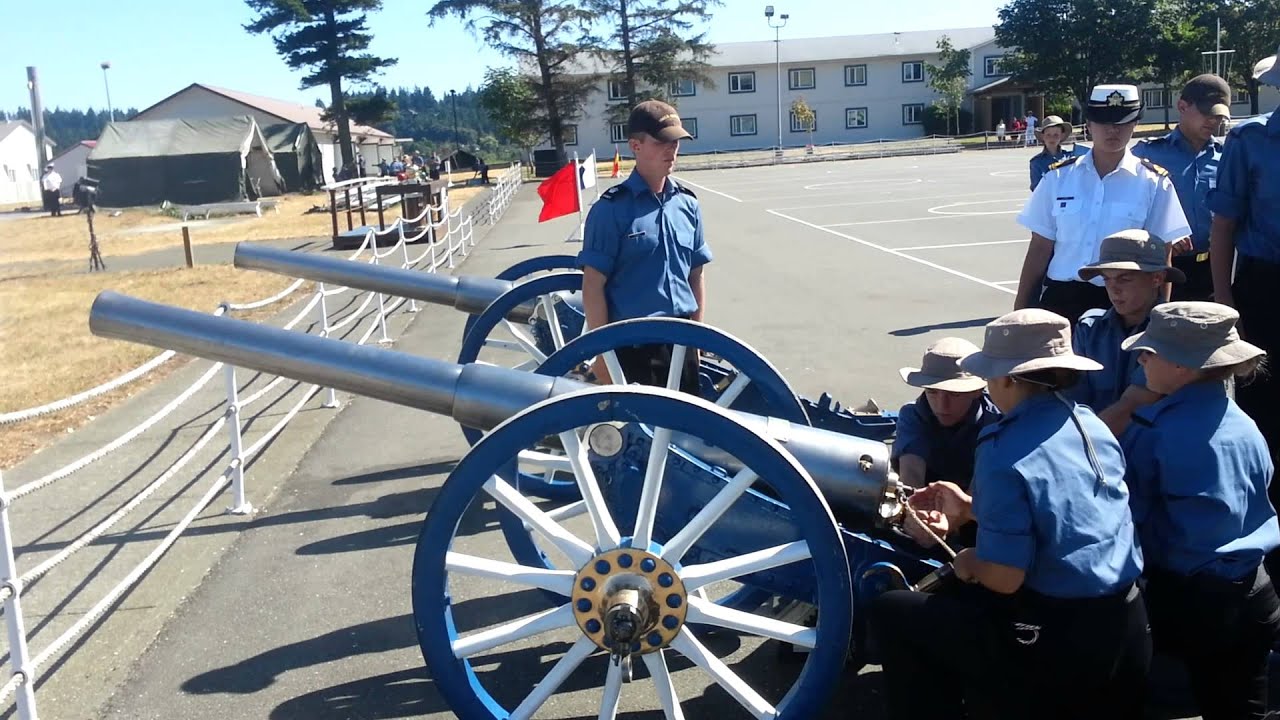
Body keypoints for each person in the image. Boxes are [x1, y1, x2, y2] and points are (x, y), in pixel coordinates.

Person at [871, 309, 1150, 720]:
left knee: (892, 611)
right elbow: (1063, 515)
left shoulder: (1003, 449)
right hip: (1128, 623)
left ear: (1006, 379)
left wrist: (969, 562)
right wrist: (970, 509)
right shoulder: (1088, 422)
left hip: (1058, 639)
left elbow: (1004, 577)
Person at [1118, 301, 1280, 719]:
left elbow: (1128, 514)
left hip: (1191, 602)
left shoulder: (1156, 431)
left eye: (1149, 353)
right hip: (1257, 592)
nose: (1141, 359)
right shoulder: (1245, 425)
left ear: (1182, 366)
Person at [1014, 83, 1191, 323]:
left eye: (1122, 122)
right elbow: (1038, 249)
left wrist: (1158, 323)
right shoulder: (1057, 178)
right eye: (1104, 122)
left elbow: (1162, 258)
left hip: (1126, 306)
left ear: (1135, 124)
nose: (1112, 130)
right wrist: (1020, 312)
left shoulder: (1153, 183)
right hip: (1061, 301)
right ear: (1088, 125)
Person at [577, 100, 709, 393]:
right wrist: (602, 352)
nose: (671, 149)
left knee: (685, 435)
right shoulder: (610, 210)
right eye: (662, 141)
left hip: (682, 342)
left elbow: (695, 275)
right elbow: (593, 285)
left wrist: (699, 338)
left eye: (676, 141)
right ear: (635, 146)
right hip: (632, 347)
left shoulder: (687, 204)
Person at [1209, 44, 1280, 576]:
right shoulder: (1250, 140)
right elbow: (1224, 224)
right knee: (1266, 413)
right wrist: (1224, 295)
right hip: (1264, 286)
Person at [1070, 229, 1183, 435]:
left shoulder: (1173, 332)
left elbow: (1132, 406)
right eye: (1107, 279)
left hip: (1149, 449)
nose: (1114, 289)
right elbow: (1074, 399)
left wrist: (1075, 447)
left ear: (1157, 278)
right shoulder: (1089, 328)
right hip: (1092, 443)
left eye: (1124, 279)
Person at [1132, 74, 1231, 301]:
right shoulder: (1148, 154)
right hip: (1161, 268)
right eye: (1206, 113)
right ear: (1182, 106)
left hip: (1214, 269)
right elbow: (1127, 208)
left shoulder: (1226, 157)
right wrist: (1162, 236)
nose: (1213, 122)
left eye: (1218, 116)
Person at [892, 337, 1000, 491]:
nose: (942, 406)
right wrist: (916, 506)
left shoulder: (998, 420)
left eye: (954, 394)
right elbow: (911, 476)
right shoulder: (912, 415)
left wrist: (959, 511)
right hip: (927, 501)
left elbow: (984, 484)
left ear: (976, 391)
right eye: (932, 392)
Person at [1029, 115, 1087, 191]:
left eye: (1056, 135)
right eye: (1048, 135)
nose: (1052, 138)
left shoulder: (1070, 158)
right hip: (1047, 201)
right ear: (1043, 136)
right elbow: (1036, 189)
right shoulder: (1036, 162)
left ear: (1062, 136)